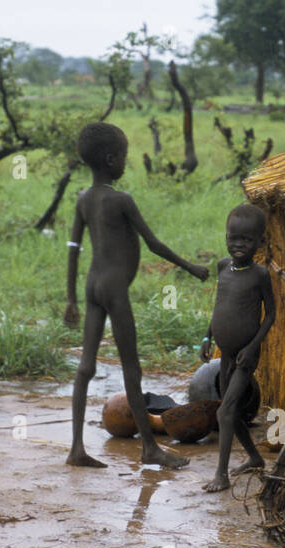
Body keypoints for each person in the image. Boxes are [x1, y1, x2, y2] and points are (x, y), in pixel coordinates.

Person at [63, 122, 208, 469]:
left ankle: (76, 449)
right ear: (111, 159)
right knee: (132, 368)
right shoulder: (121, 200)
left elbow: (73, 248)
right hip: (114, 288)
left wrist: (70, 298)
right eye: (124, 157)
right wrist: (190, 267)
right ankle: (149, 447)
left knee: (85, 366)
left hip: (91, 285)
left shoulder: (84, 199)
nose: (126, 162)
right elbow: (153, 243)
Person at [200, 204, 275, 492]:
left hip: (246, 356)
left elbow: (270, 315)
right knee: (229, 410)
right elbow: (218, 308)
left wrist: (253, 346)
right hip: (226, 355)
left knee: (225, 411)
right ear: (226, 237)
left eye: (246, 239)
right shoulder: (222, 266)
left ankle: (221, 474)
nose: (238, 244)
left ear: (260, 242)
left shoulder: (260, 275)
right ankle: (255, 458)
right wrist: (206, 338)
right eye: (233, 238)